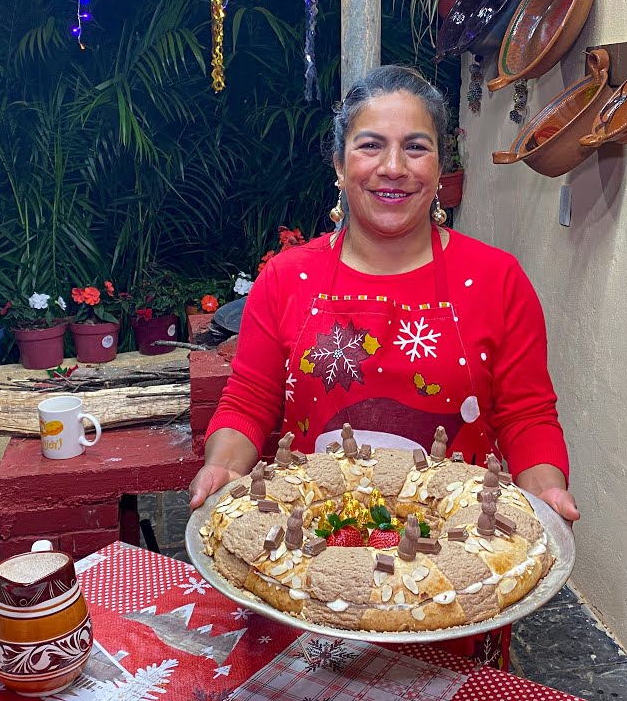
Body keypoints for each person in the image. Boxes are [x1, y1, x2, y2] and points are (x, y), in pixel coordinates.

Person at [187, 65, 578, 669]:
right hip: (308, 572)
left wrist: (546, 488)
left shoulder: (497, 280)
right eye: (370, 145)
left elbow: (527, 414)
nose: (393, 167)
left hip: (453, 580)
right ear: (341, 165)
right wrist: (220, 468)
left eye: (415, 147)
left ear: (440, 169)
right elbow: (248, 403)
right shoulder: (287, 278)